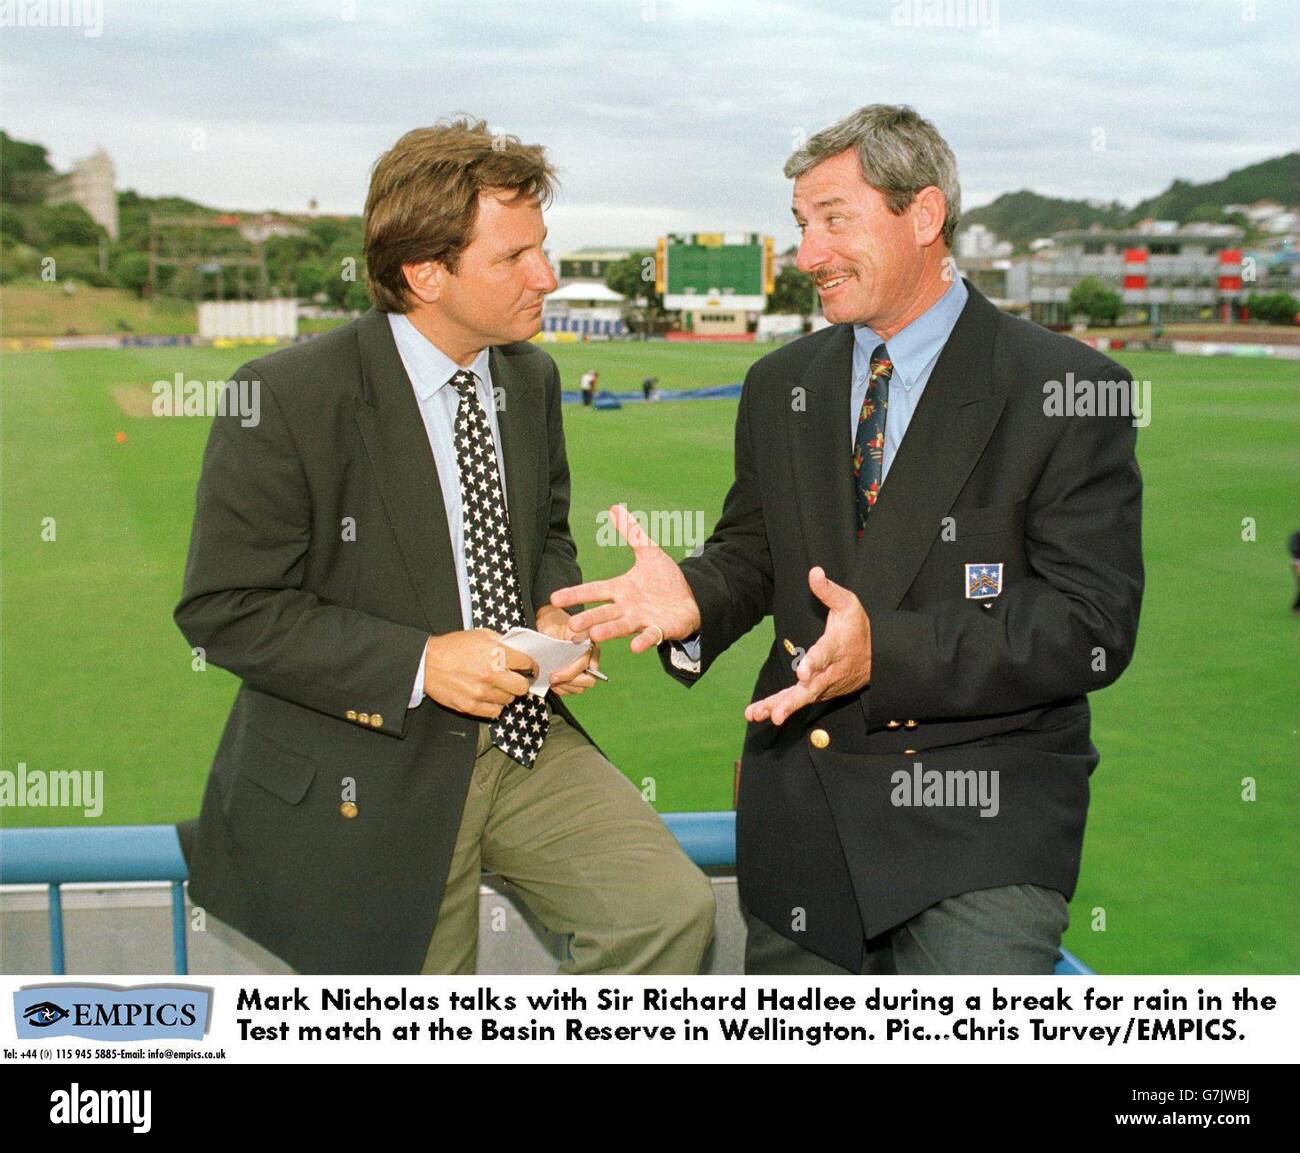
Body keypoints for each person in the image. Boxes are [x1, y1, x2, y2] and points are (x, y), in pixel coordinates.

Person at [553, 104, 1143, 975]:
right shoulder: (781, 384)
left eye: (834, 220)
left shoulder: (1065, 388)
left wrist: (887, 652)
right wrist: (692, 597)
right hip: (806, 821)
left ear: (926, 216)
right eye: (800, 225)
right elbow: (754, 553)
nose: (808, 256)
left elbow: (1091, 623)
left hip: (977, 824)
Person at [174, 119, 714, 976]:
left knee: (668, 914)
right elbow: (225, 611)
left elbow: (543, 530)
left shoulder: (528, 376)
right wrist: (423, 662)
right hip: (372, 766)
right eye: (513, 258)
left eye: (543, 247)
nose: (547, 276)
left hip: (523, 739)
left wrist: (548, 612)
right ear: (425, 273)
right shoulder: (286, 396)